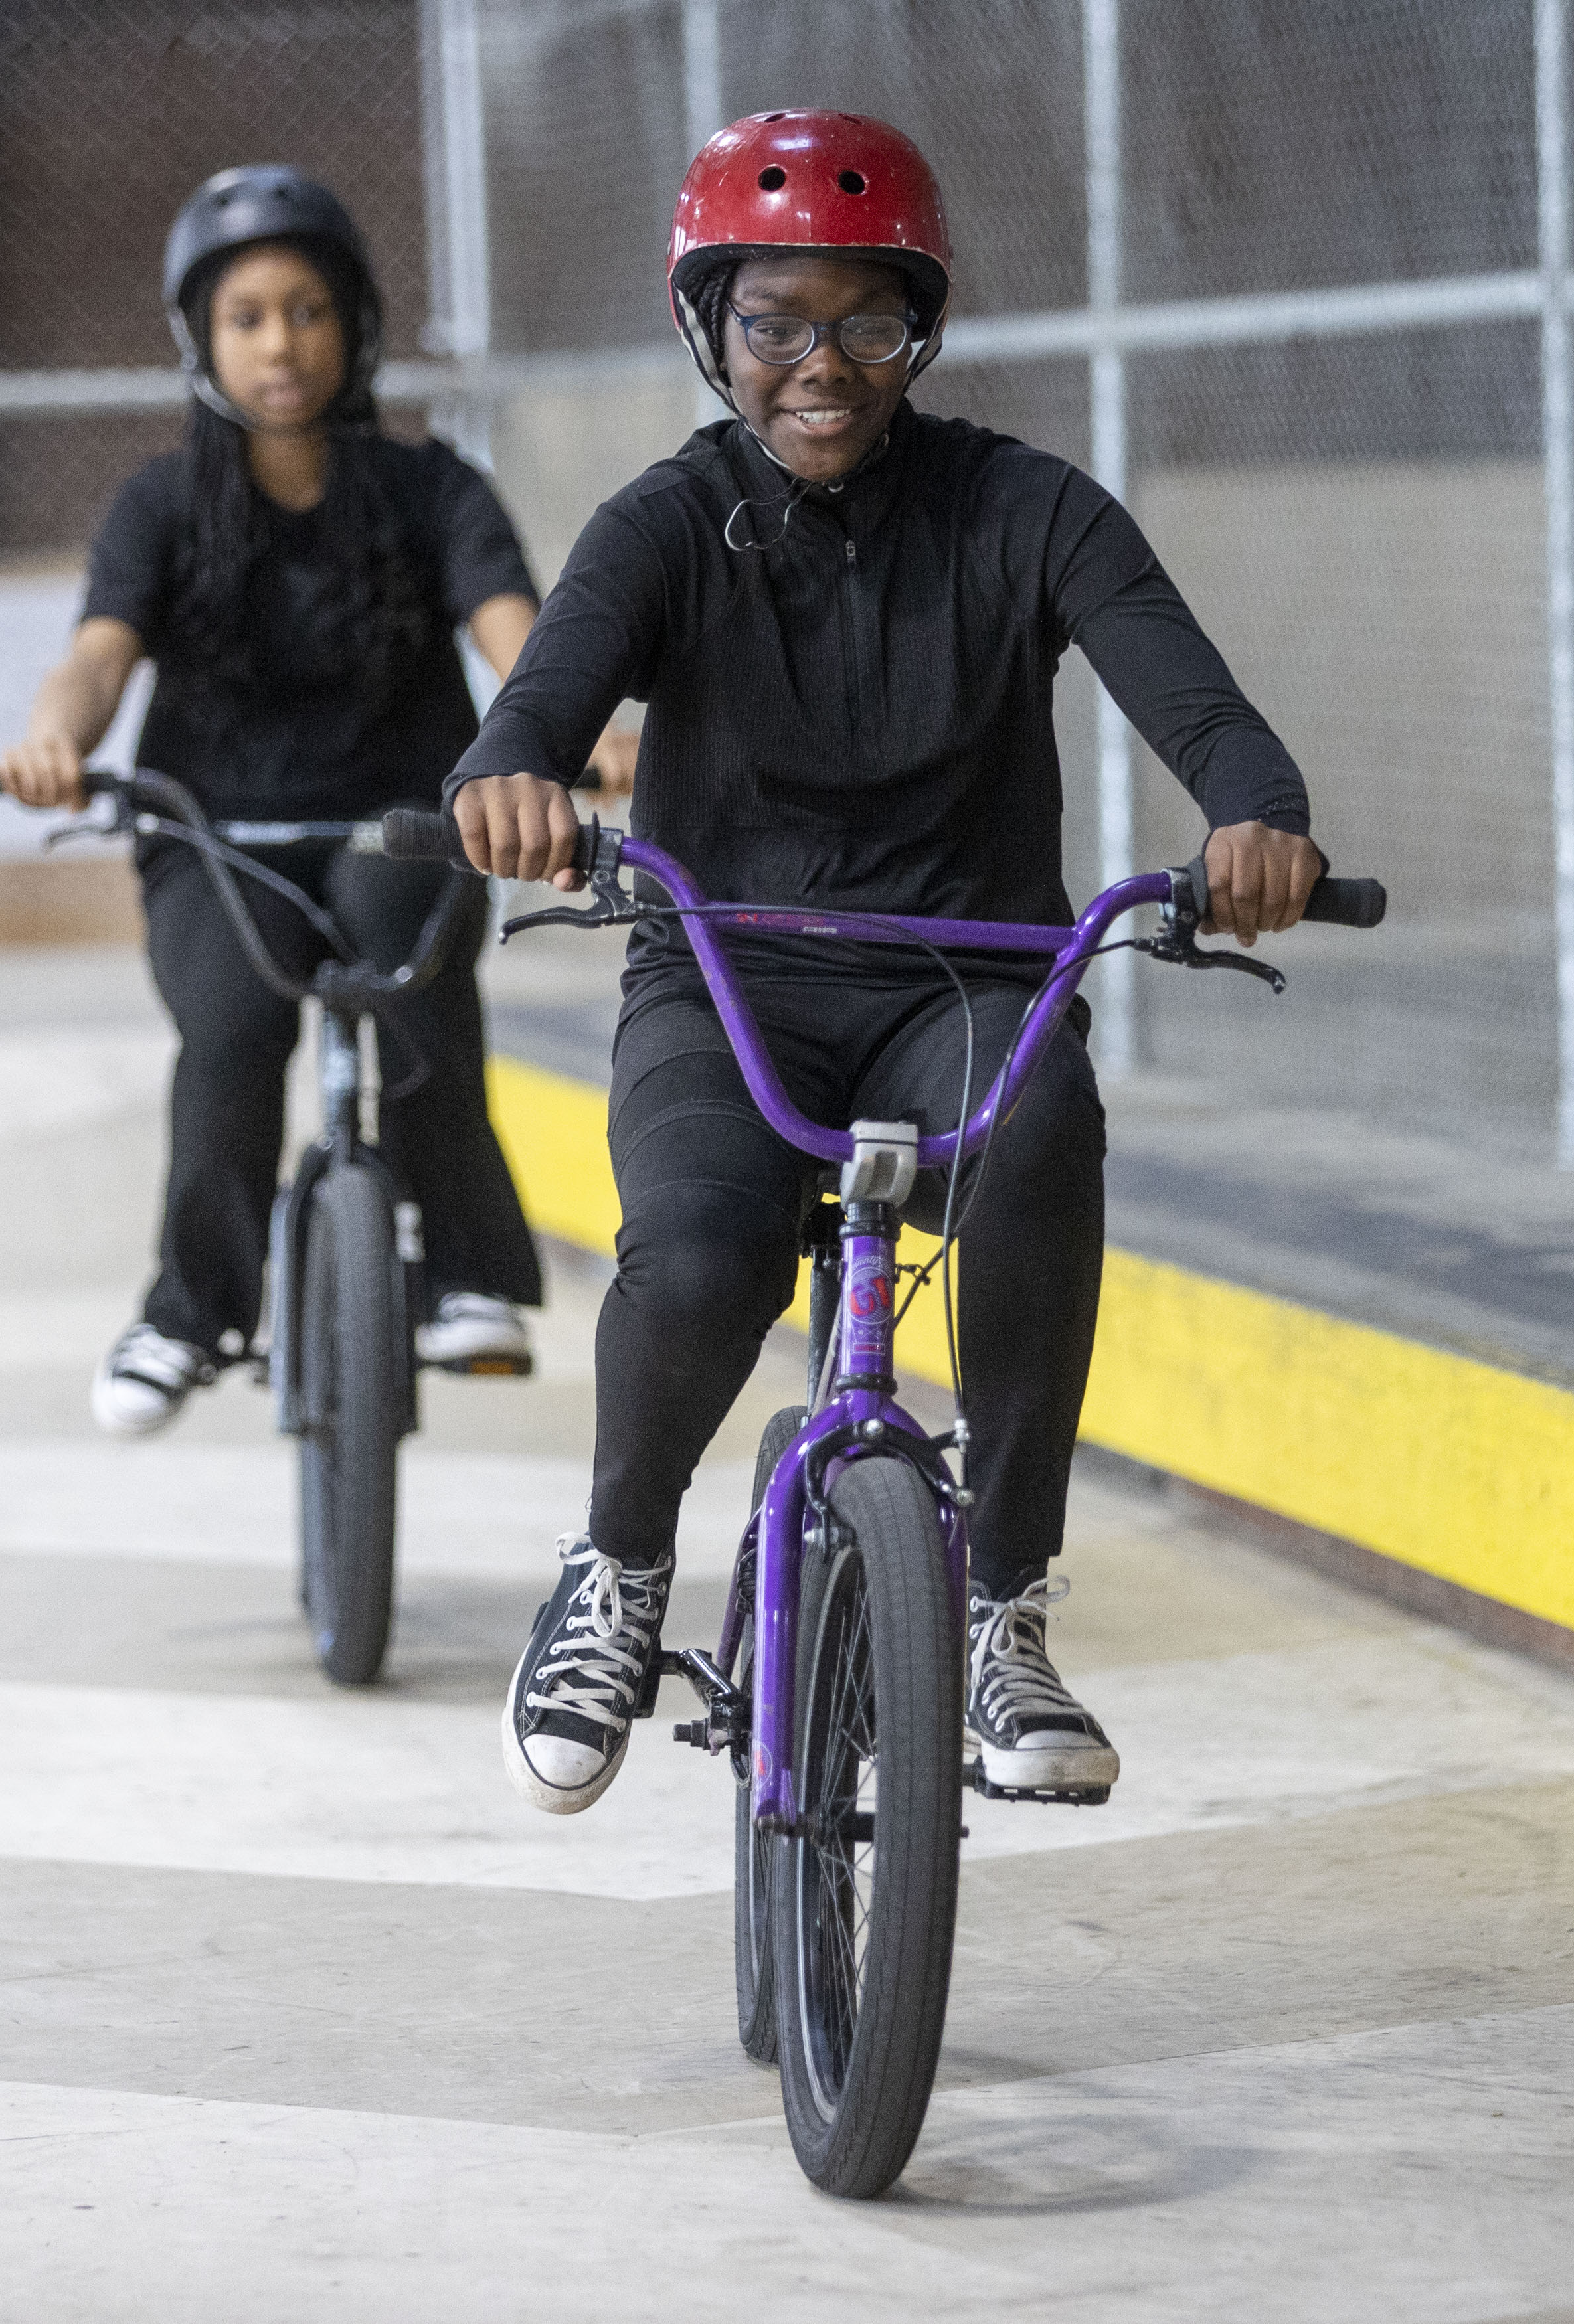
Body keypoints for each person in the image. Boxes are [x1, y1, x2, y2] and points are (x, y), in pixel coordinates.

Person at [446, 112, 1325, 1815]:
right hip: (724, 984)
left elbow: (1200, 707)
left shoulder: (1029, 510)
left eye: (864, 321)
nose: (820, 367)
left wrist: (1256, 821)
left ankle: (1001, 1607)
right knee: (699, 1257)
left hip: (965, 985)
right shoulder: (666, 526)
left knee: (1042, 1135)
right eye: (773, 322)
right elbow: (540, 701)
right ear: (714, 332)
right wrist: (510, 783)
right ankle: (616, 1573)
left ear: (917, 330)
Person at [0, 165, 626, 1434]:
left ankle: (463, 1277)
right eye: (246, 317)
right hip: (211, 825)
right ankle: (191, 1309)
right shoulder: (158, 505)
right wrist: (51, 741)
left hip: (401, 813)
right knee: (229, 1028)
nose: (279, 343)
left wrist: (584, 729)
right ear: (202, 341)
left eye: (307, 310)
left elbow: (519, 630)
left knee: (410, 978)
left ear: (354, 328)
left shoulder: (431, 490)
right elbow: (98, 656)